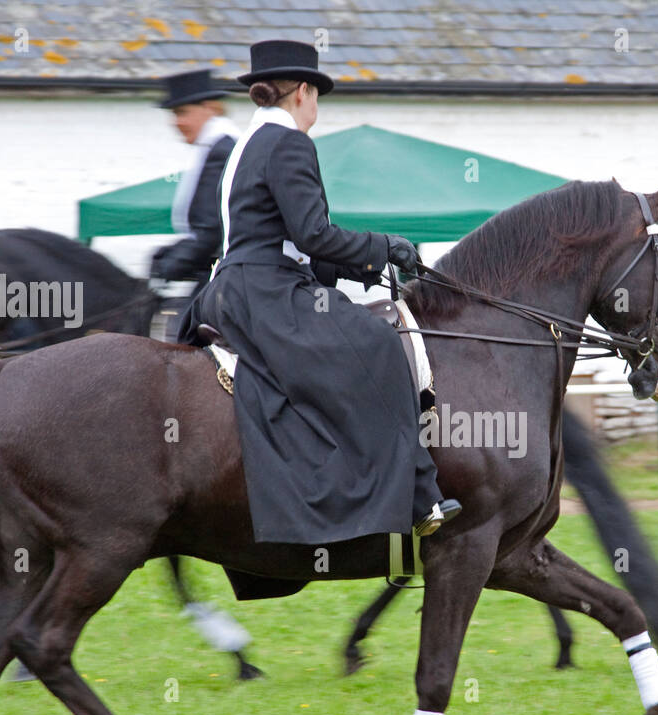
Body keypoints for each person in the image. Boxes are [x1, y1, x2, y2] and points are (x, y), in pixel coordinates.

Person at [195, 39, 459, 544]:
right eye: (318, 97)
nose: (317, 108)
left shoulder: (246, 145)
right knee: (378, 346)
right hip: (266, 292)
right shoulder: (290, 142)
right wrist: (385, 246)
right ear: (305, 92)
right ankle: (420, 494)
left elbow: (283, 237)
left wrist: (361, 268)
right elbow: (312, 233)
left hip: (234, 286)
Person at [149, 70, 240, 341]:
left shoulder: (220, 151)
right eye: (173, 114)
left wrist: (172, 265)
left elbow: (211, 229)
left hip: (226, 275)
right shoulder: (214, 147)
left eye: (182, 112)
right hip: (216, 271)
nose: (176, 122)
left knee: (183, 340)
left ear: (209, 108)